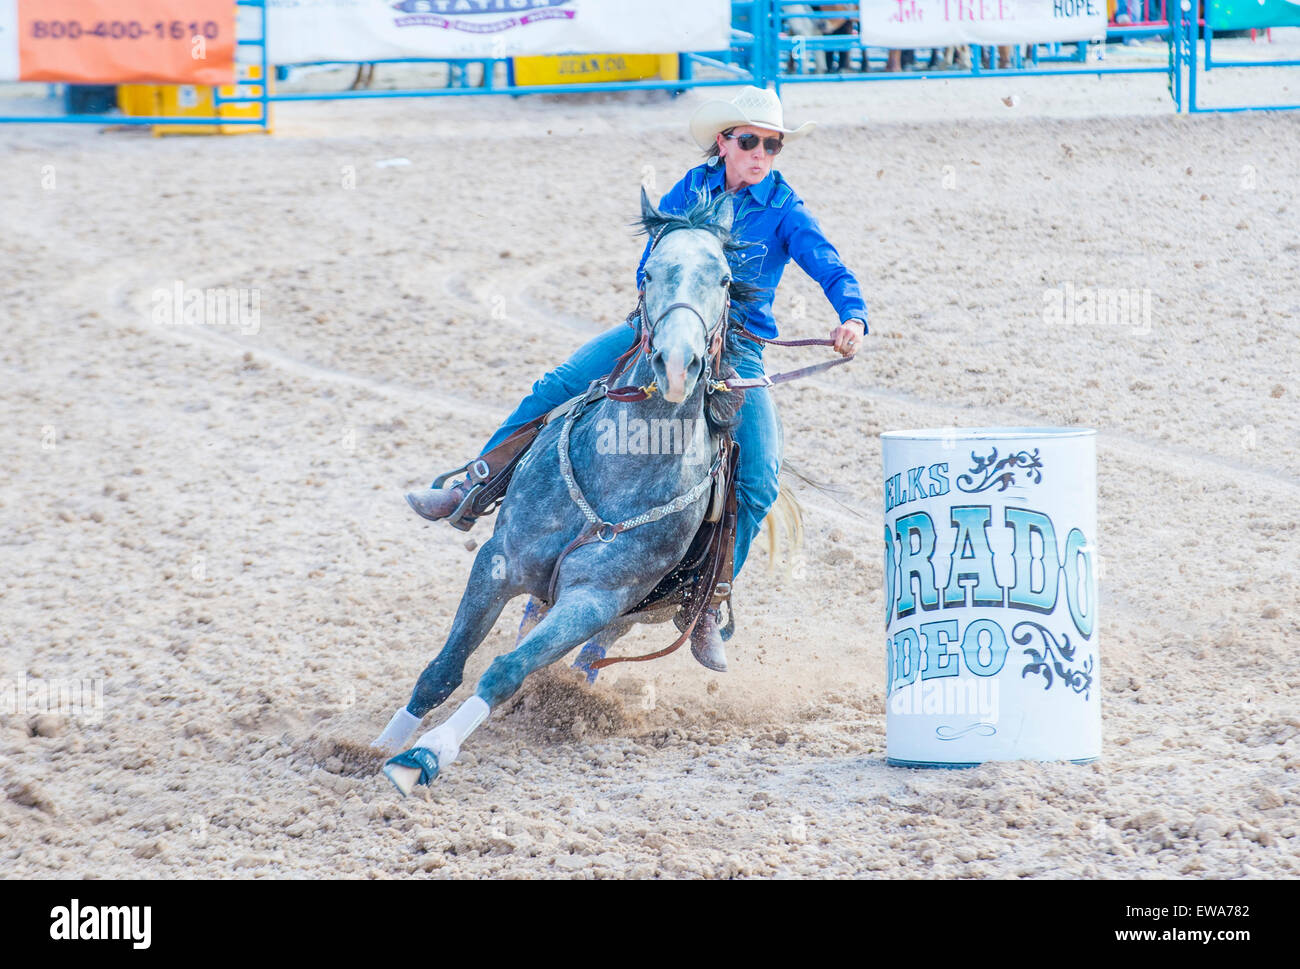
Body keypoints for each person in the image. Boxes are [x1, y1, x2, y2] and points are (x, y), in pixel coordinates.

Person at [405, 86, 868, 672]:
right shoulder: (689, 190)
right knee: (557, 385)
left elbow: (829, 264)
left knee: (758, 481)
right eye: (749, 141)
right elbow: (651, 263)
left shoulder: (786, 209)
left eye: (771, 144)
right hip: (659, 328)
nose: (761, 153)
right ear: (724, 143)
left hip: (738, 347)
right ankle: (475, 483)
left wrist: (851, 316)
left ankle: (705, 600)